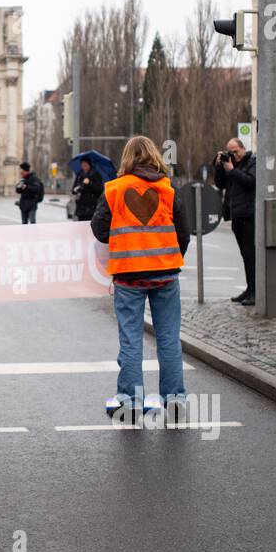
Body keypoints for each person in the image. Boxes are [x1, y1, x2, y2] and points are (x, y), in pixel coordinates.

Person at [91, 135, 189, 419]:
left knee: (131, 339)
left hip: (129, 276)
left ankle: (131, 402)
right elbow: (183, 232)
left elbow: (99, 229)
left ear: (127, 158)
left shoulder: (114, 189)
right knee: (169, 338)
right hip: (165, 274)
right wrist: (168, 257)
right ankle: (175, 403)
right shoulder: (169, 189)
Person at [214, 137, 256, 305]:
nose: (233, 155)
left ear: (243, 149)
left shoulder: (253, 162)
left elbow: (251, 182)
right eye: (230, 152)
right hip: (237, 215)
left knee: (251, 254)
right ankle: (249, 288)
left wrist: (232, 170)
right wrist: (219, 167)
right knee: (245, 255)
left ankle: (256, 291)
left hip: (250, 214)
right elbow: (220, 183)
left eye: (235, 152)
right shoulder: (231, 165)